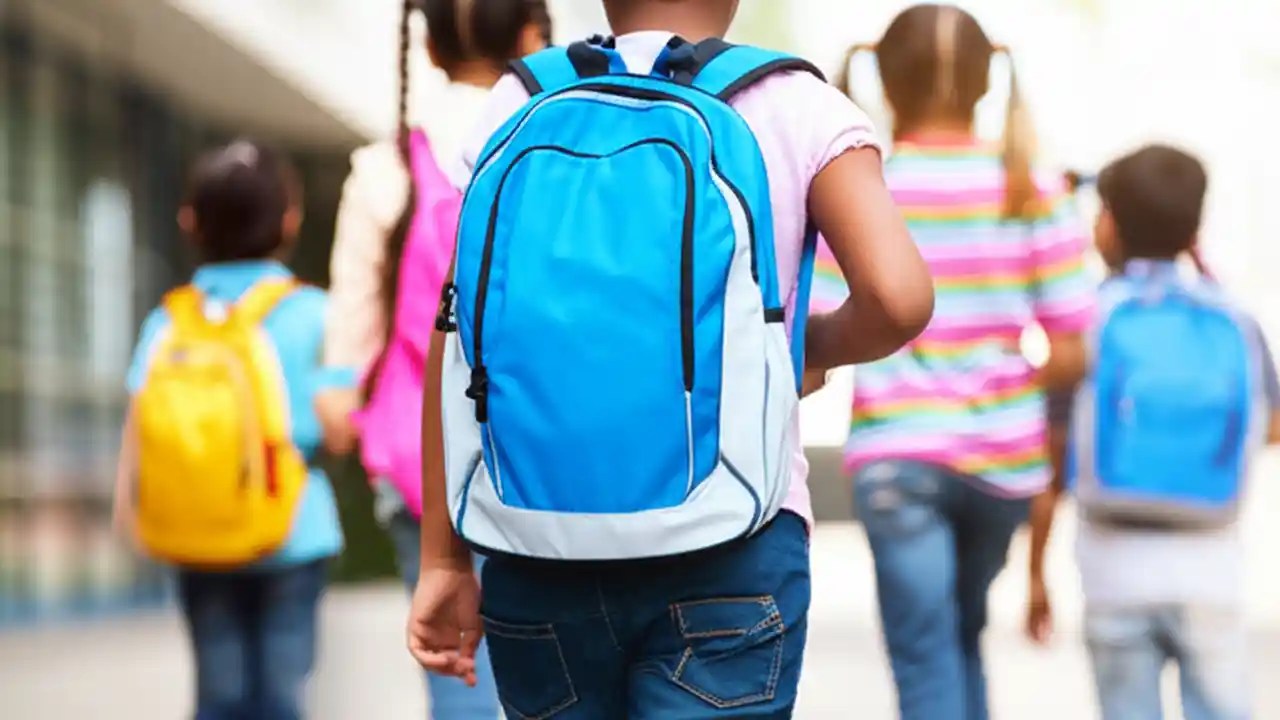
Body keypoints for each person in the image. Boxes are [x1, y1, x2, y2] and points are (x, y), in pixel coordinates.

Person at [404, 0, 936, 717]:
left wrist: (442, 557)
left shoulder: (521, 98)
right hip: (731, 540)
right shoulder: (794, 102)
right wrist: (803, 351)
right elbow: (899, 298)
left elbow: (457, 326)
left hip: (536, 544)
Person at [833, 5, 1095, 719]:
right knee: (963, 637)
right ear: (985, 85)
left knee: (926, 661)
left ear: (884, 83)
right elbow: (1073, 349)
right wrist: (1000, 381)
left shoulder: (863, 189)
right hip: (1003, 464)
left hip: (897, 455)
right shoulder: (1032, 189)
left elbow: (818, 326)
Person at [316, 0, 550, 716]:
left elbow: (346, 345)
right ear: (530, 35)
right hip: (543, 456)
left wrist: (348, 416)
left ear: (432, 46)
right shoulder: (554, 139)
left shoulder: (387, 165)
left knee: (456, 666)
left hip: (421, 464)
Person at [1027, 145, 1280, 720]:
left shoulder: (1090, 321)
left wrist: (1036, 575)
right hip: (1213, 568)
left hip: (1114, 571)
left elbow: (1052, 460)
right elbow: (1270, 426)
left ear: (1109, 224)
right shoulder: (1236, 321)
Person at [114, 140, 353, 719]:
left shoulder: (170, 319)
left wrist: (130, 515)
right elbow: (340, 428)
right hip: (292, 527)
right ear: (290, 222)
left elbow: (138, 426)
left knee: (218, 692)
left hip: (196, 529)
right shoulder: (312, 312)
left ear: (190, 223)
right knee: (280, 691)